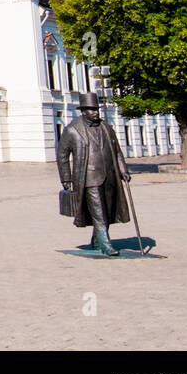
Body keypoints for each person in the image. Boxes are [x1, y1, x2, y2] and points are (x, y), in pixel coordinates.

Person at [57, 92, 133, 256]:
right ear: (83, 111)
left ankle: (97, 240)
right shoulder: (72, 130)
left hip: (110, 176)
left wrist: (123, 170)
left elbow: (117, 152)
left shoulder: (106, 127)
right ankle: (106, 245)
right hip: (88, 178)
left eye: (96, 109)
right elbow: (62, 155)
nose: (96, 113)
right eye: (92, 110)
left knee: (108, 210)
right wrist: (66, 178)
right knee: (99, 213)